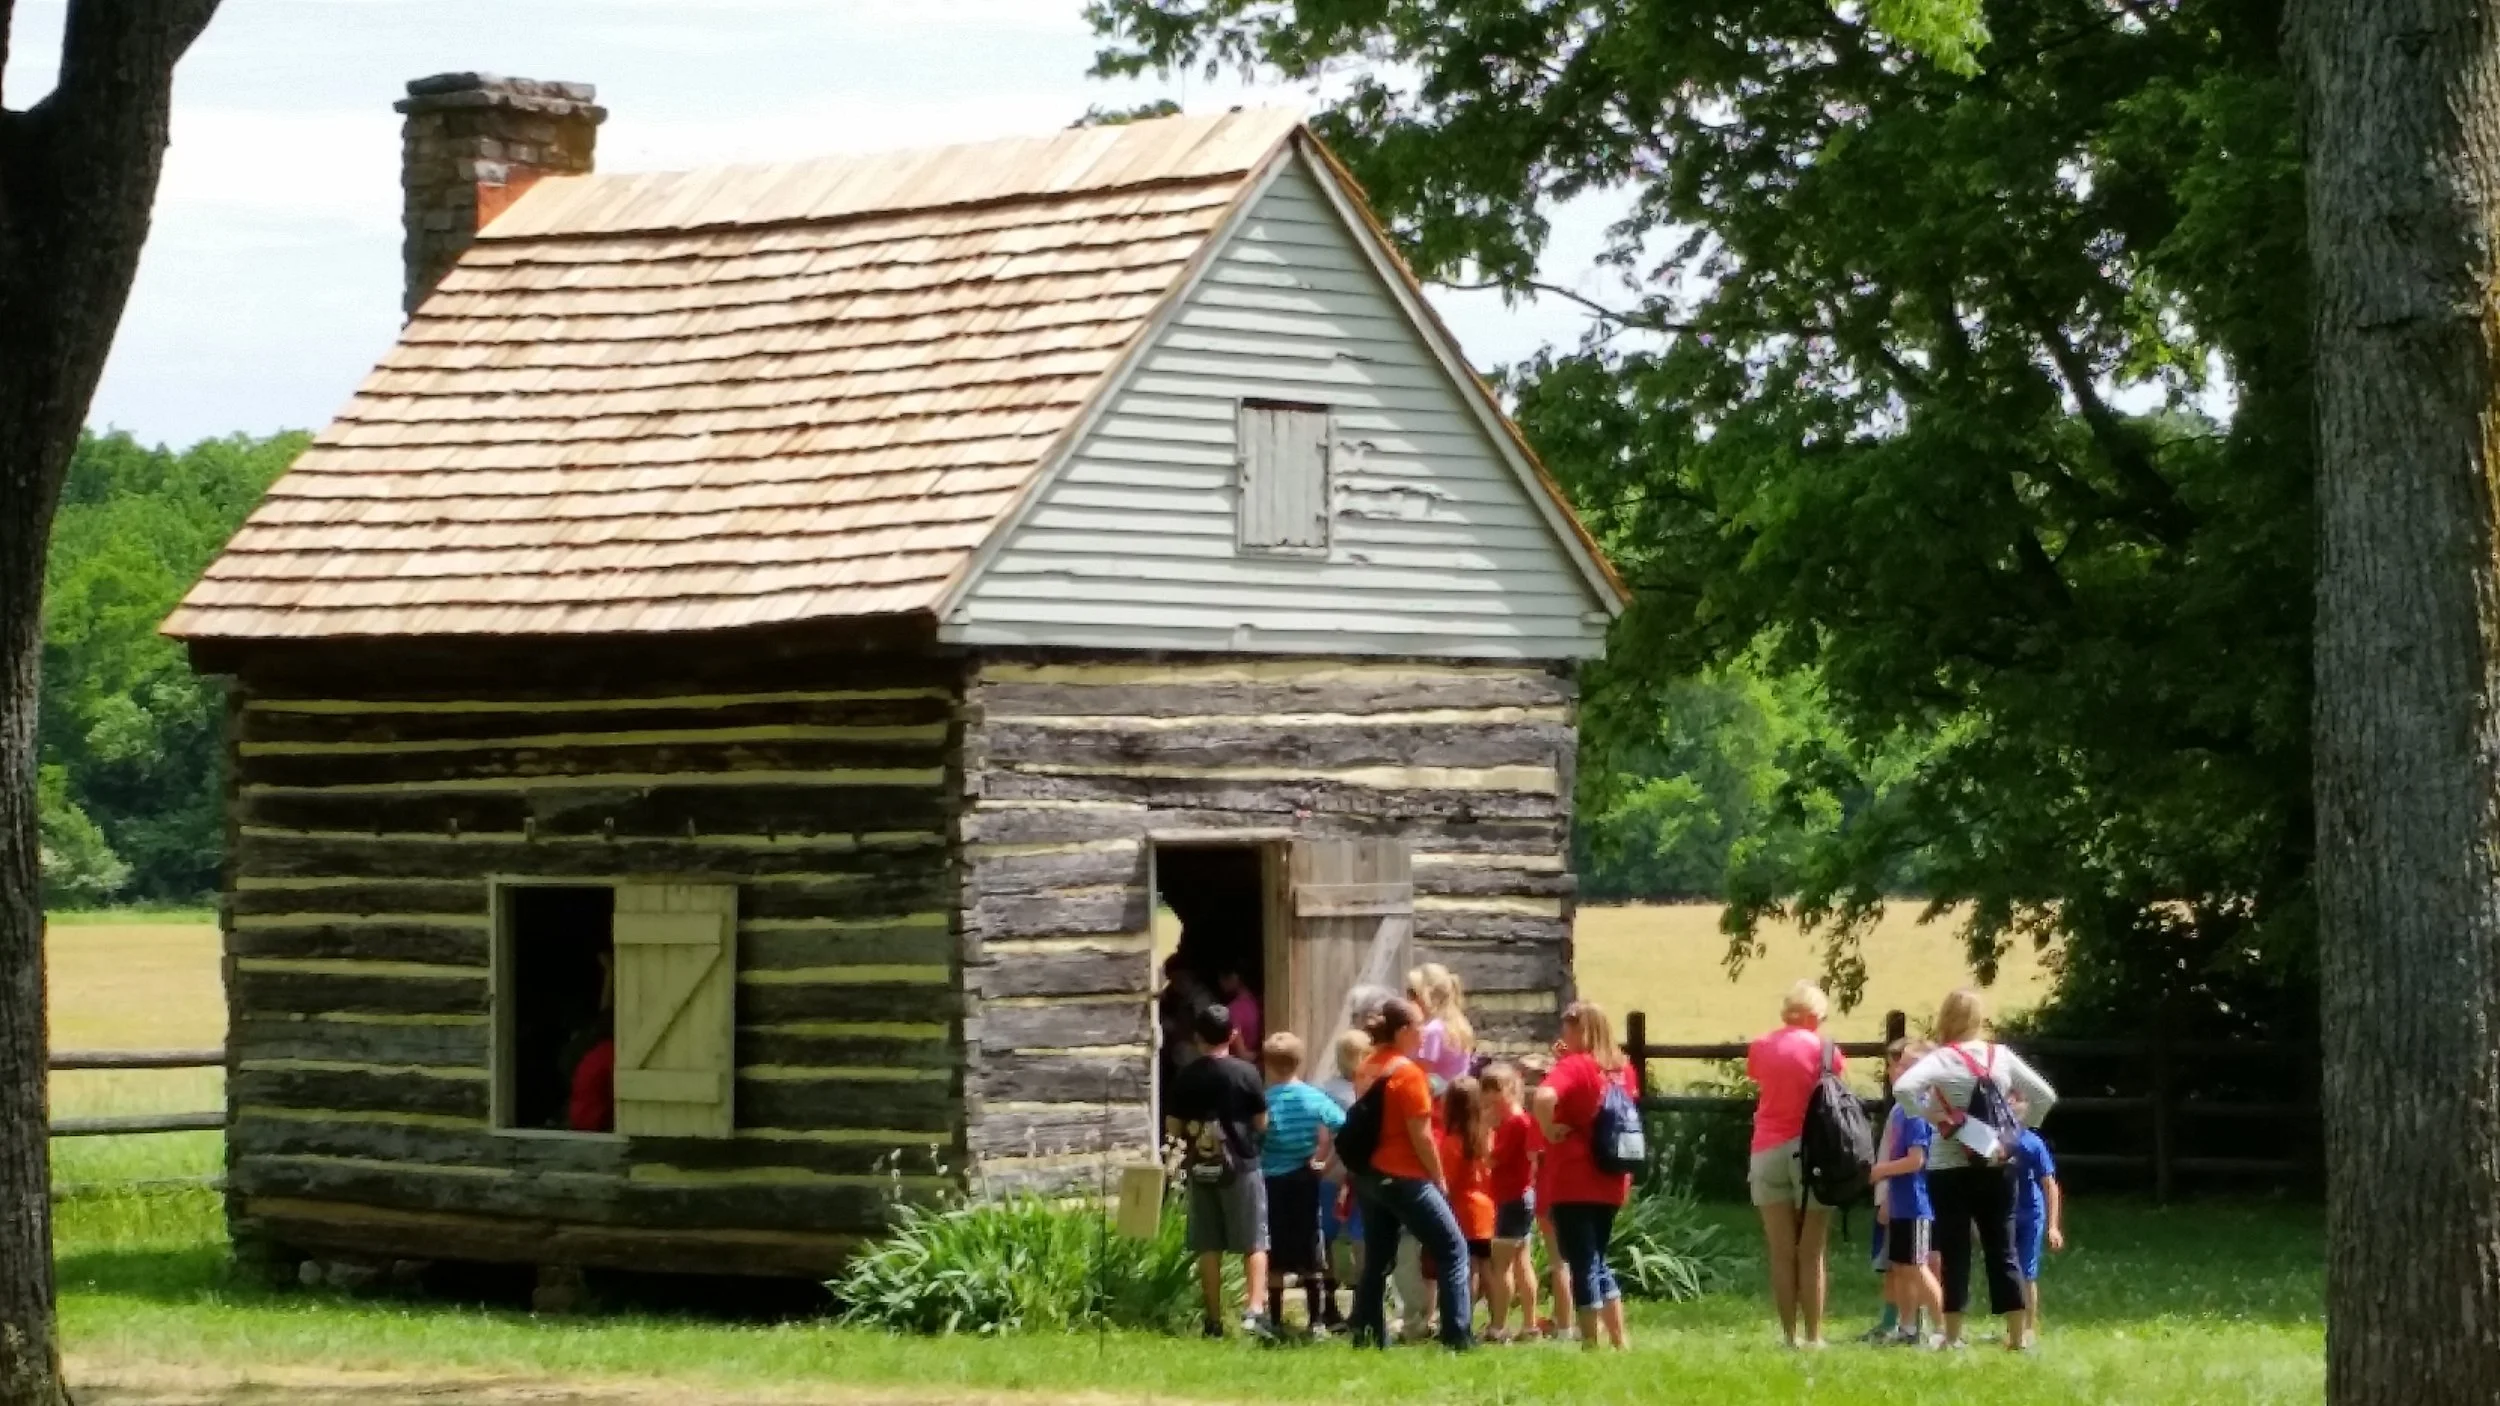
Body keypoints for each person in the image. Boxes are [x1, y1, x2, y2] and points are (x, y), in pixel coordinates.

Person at [1891, 987, 2058, 1351]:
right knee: (2003, 1247)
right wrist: (2020, 1130)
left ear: (1946, 1017)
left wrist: (1931, 1115)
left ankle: (1952, 1337)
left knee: (1954, 1251)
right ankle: (2017, 1336)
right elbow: (2045, 1095)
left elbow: (1903, 1088)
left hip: (1948, 1167)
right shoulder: (2000, 1056)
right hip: (1998, 1164)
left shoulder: (1942, 1060)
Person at [1348, 998, 1473, 1351]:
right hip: (1405, 1176)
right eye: (1418, 1026)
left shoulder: (1367, 1067)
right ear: (1402, 1031)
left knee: (1377, 1258)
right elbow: (1420, 1135)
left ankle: (1368, 1335)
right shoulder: (1409, 1074)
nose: (1423, 1033)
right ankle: (1457, 1337)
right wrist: (1439, 1177)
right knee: (1453, 1250)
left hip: (1371, 1176)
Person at [1164, 1003, 1273, 1339]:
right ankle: (1253, 1312)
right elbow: (1261, 1122)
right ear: (1233, 1034)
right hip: (1241, 1164)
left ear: (1197, 1038)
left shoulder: (1186, 1076)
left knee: (1208, 1244)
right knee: (1254, 1241)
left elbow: (1173, 1127)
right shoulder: (1246, 1073)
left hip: (1201, 1164)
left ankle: (1213, 1321)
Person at [1744, 979, 1843, 1348]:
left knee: (1781, 1250)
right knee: (1812, 1249)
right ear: (1815, 1014)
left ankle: (1789, 1336)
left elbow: (1759, 1081)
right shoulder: (1826, 1049)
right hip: (1813, 1150)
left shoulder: (1762, 1046)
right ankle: (1815, 1336)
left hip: (1767, 1149)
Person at [1533, 1000, 1635, 1352]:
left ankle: (1591, 1342)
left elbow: (1545, 1095)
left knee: (1582, 1262)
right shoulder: (1623, 1069)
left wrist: (1548, 1128)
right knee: (1597, 1258)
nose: (1563, 1034)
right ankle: (1619, 1340)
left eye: (1567, 1028)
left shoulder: (1576, 1066)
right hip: (1612, 1176)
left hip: (1574, 1177)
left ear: (1580, 1030)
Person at [1260, 1032, 1345, 1332]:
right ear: (1300, 1062)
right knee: (1312, 1248)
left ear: (1267, 1065)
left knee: (1274, 1250)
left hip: (1272, 1182)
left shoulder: (1265, 1101)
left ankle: (1273, 1320)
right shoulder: (1314, 1098)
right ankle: (1316, 1321)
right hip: (1307, 1180)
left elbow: (1255, 1135)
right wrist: (1326, 1161)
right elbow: (1342, 1128)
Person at [1868, 1038, 1943, 1346]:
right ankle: (1908, 1328)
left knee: (1917, 1266)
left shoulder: (1916, 1111)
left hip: (1915, 1202)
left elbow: (1917, 1160)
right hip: (1899, 1202)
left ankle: (1945, 1329)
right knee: (1900, 1266)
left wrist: (1880, 1171)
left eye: (1909, 1065)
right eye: (1899, 1064)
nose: (1898, 1069)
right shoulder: (1902, 1109)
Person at [1481, 1061, 1541, 1341]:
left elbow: (1492, 1159)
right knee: (1521, 1262)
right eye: (1486, 1090)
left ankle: (1499, 1326)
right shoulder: (1520, 1120)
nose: (1490, 1097)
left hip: (1512, 1198)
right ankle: (1529, 1325)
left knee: (1501, 1265)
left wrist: (1485, 1131)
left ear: (1510, 1090)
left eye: (1495, 1090)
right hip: (1521, 1196)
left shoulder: (1513, 1123)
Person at [1435, 1076, 1497, 1339]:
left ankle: (1464, 1320)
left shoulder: (1451, 1142)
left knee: (1467, 1268)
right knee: (1488, 1268)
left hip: (1463, 1210)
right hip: (1486, 1209)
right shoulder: (1488, 1134)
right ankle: (1498, 1319)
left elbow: (1447, 1180)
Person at [1316, 1028, 1369, 1330]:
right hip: (1363, 1173)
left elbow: (1323, 1136)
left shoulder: (1325, 1092)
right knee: (1361, 1237)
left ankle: (1330, 1305)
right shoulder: (1372, 1090)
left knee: (1326, 1237)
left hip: (1331, 1173)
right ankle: (1362, 1306)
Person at [2009, 1096, 2064, 1333]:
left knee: (2027, 1271)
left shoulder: (2033, 1144)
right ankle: (2013, 1327)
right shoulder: (1994, 1144)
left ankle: (2028, 1329)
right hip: (2006, 1214)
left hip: (2031, 1213)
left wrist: (2053, 1226)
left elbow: (2050, 1184)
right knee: (2009, 1270)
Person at [1407, 962, 1475, 1085]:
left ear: (1428, 995)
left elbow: (1419, 1075)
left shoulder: (1432, 1031)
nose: (1408, 999)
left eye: (1412, 993)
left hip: (1436, 1101)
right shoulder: (1459, 1025)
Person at [1218, 967, 1263, 1059]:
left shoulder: (1233, 1010)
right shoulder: (1260, 1003)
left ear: (1235, 977)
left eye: (1223, 978)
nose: (1220, 983)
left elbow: (1242, 1055)